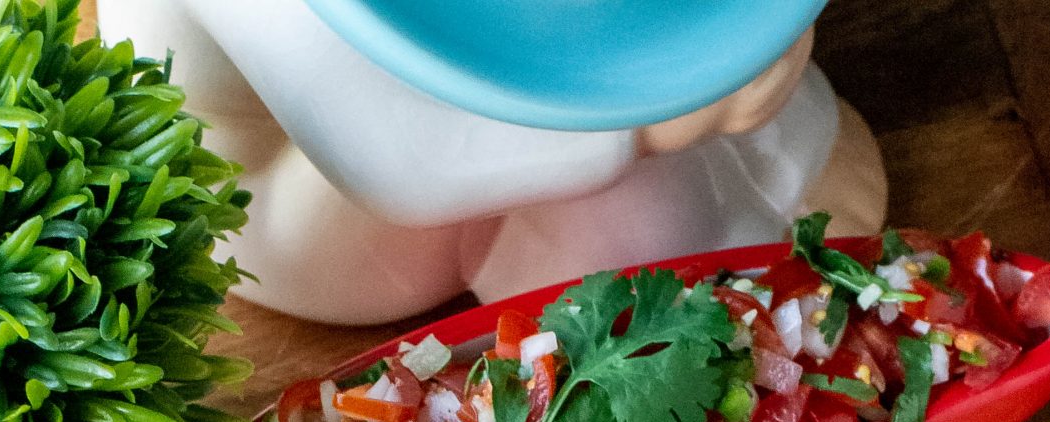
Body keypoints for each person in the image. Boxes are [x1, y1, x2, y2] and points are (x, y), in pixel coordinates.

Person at [102, 0, 888, 325]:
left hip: (492, 48)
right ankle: (664, 284)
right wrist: (651, 130)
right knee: (621, 202)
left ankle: (724, 151)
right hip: (302, 189)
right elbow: (396, 158)